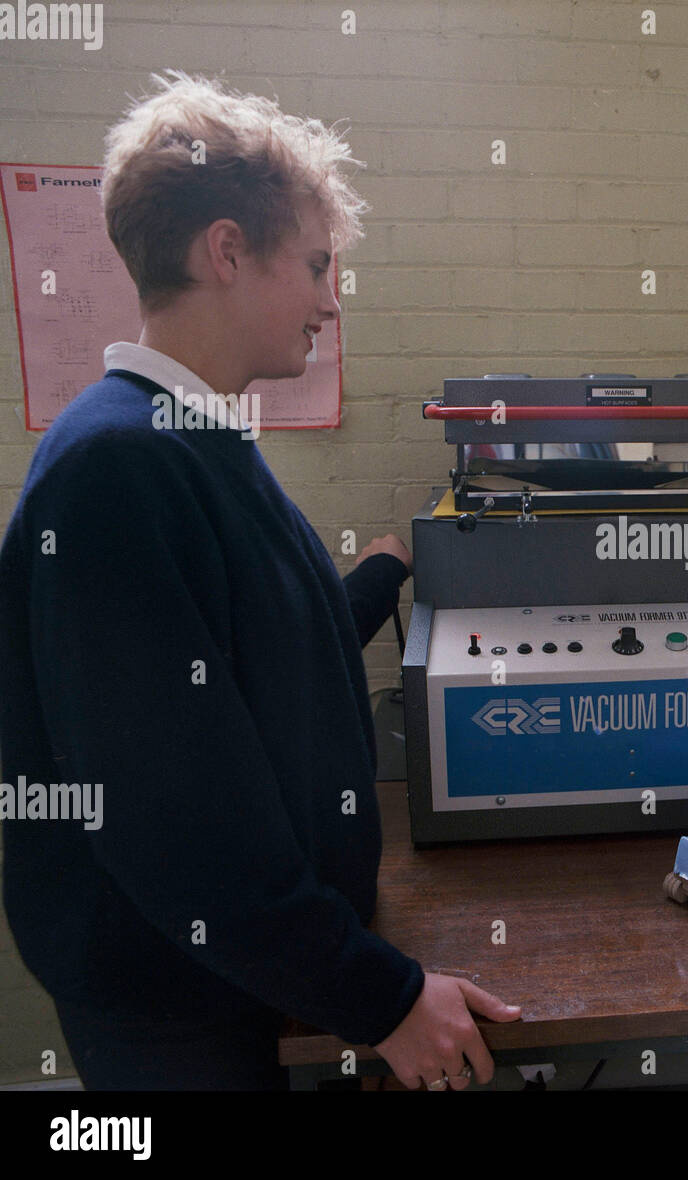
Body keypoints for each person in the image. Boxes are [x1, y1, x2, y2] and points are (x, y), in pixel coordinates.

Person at [0, 72, 519, 1090]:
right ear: (226, 251)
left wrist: (384, 568)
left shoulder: (192, 441)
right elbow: (170, 814)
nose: (332, 299)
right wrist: (383, 995)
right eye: (319, 264)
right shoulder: (116, 467)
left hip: (237, 973)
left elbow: (254, 649)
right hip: (172, 1007)